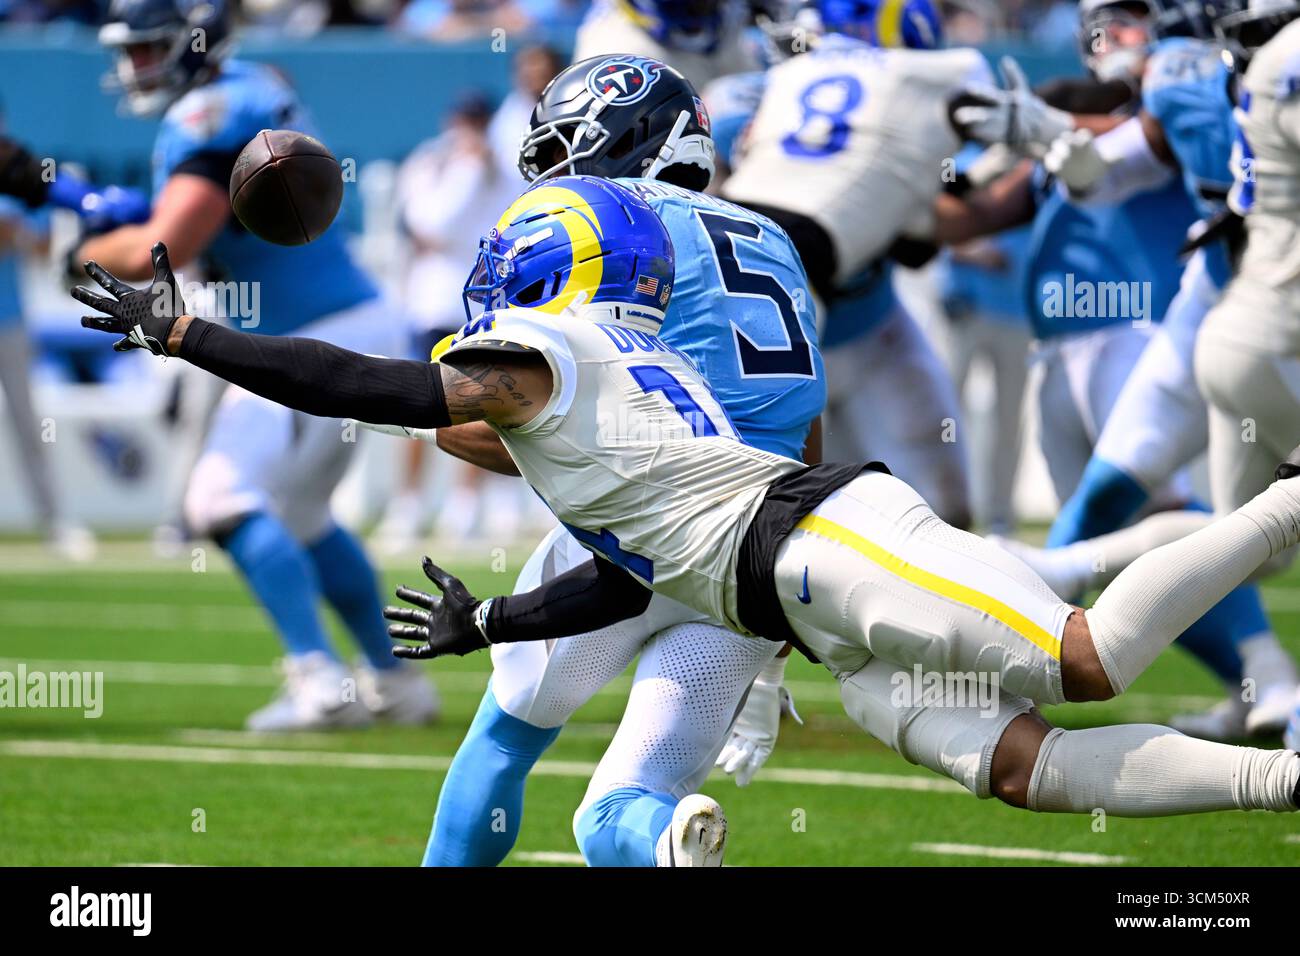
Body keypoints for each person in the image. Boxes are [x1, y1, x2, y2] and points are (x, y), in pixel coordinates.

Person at [76, 180, 1300, 828]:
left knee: (1079, 660)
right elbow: (629, 570)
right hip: (793, 599)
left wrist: (190, 333)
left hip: (826, 543)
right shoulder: (593, 402)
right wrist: (493, 622)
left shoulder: (548, 360)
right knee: (1027, 769)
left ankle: (1287, 507)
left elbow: (369, 383)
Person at [428, 58, 822, 867]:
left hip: (641, 521)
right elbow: (803, 424)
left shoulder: (609, 229)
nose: (559, 179)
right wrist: (777, 644)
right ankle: (666, 843)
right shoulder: (774, 237)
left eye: (573, 152)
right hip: (761, 545)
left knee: (506, 734)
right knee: (622, 810)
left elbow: (485, 411)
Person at [75, 0, 438, 730]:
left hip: (310, 334)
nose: (133, 68)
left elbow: (164, 248)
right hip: (342, 319)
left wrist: (84, 252)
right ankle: (396, 684)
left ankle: (320, 684)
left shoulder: (207, 115)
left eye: (147, 49)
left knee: (218, 497)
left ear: (189, 42)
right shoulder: (250, 82)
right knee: (301, 516)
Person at [719, 0, 973, 527]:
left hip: (865, 320)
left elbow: (921, 232)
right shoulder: (739, 108)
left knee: (940, 506)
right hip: (796, 326)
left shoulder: (744, 103)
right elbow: (925, 233)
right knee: (793, 501)